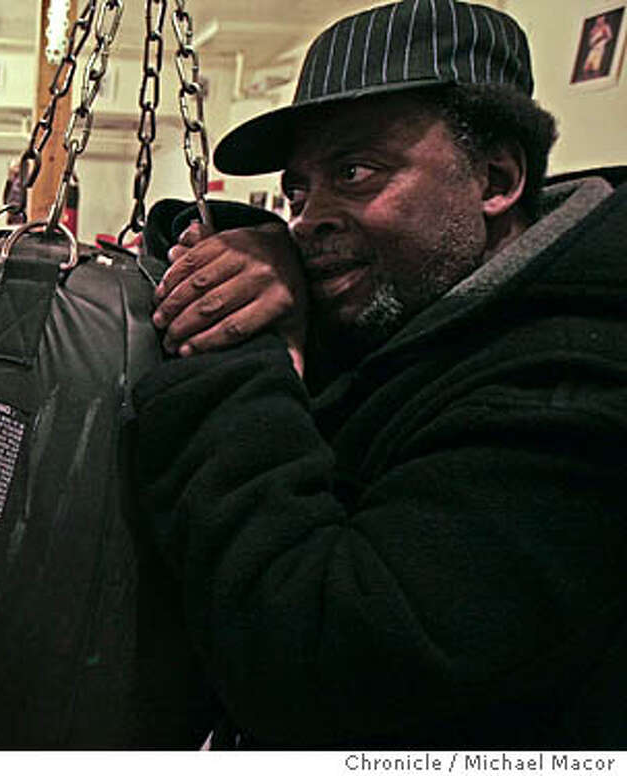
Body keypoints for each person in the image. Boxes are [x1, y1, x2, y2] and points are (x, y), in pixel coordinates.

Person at [135, 0, 627, 748]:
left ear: (495, 177)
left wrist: (237, 353)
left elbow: (320, 666)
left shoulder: (577, 387)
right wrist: (262, 249)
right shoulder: (423, 302)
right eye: (299, 190)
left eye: (356, 171)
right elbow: (186, 222)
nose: (310, 218)